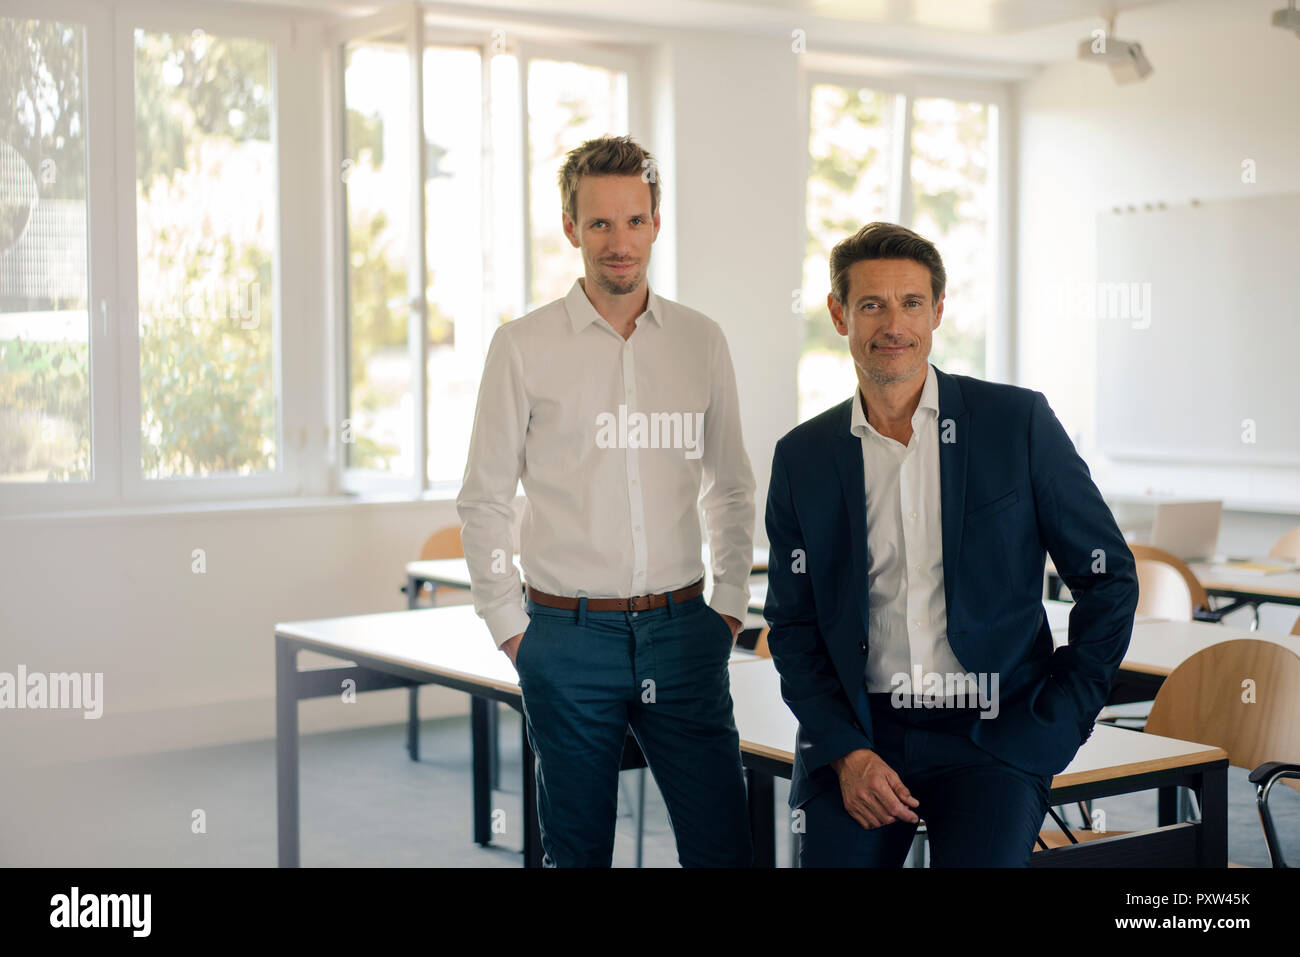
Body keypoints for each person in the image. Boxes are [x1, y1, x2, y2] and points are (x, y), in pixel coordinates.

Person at [764, 221, 1138, 867]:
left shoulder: (1015, 423)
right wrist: (846, 750)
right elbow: (793, 623)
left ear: (937, 311)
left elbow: (1107, 576)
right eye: (871, 304)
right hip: (864, 732)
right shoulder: (803, 456)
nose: (893, 324)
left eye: (911, 303)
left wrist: (1061, 714)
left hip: (996, 733)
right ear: (838, 313)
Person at [457, 135, 755, 867]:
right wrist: (512, 630)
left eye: (633, 221)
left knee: (724, 844)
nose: (618, 242)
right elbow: (484, 498)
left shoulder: (700, 340)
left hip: (686, 634)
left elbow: (733, 484)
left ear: (656, 222)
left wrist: (729, 607)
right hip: (566, 639)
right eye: (599, 223)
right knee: (579, 850)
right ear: (571, 228)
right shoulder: (521, 347)